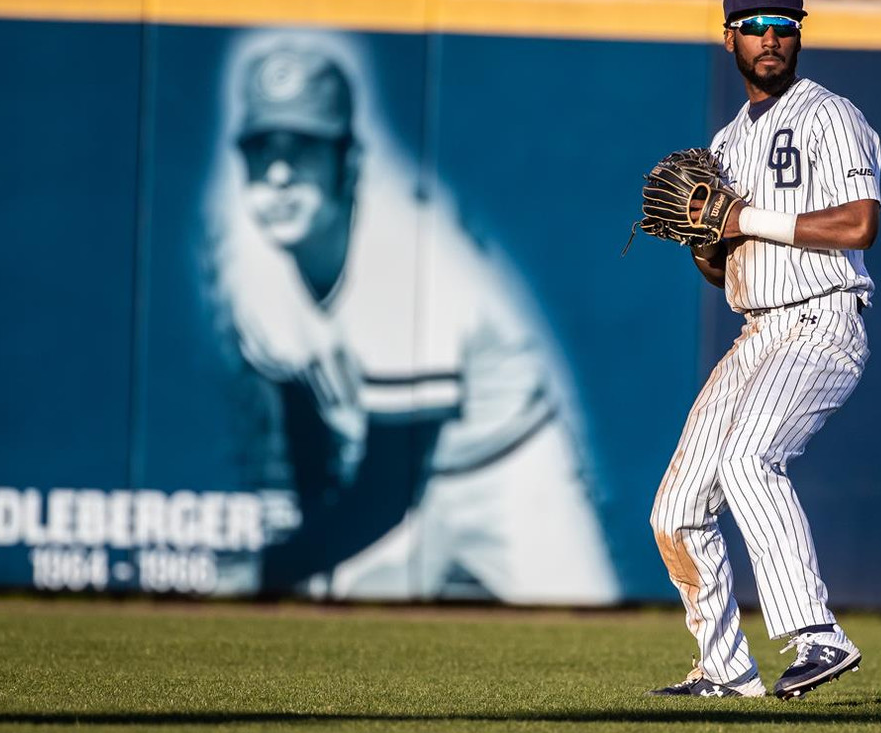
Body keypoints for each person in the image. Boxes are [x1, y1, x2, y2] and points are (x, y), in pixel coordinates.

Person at [213, 37, 619, 604]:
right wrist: (304, 561)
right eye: (261, 150)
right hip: (395, 478)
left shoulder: (400, 255)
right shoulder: (249, 266)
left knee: (588, 632)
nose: (278, 174)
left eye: (302, 150)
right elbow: (305, 428)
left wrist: (271, 569)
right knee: (328, 631)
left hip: (509, 466)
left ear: (347, 162)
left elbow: (387, 490)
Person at [647, 0, 881, 700]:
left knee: (750, 461)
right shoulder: (727, 140)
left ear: (800, 36)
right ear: (730, 39)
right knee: (676, 511)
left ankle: (818, 637)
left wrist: (743, 219)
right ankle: (724, 667)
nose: (772, 39)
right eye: (756, 26)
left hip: (821, 318)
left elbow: (859, 224)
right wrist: (705, 239)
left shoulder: (828, 114)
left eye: (785, 26)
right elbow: (724, 271)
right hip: (758, 332)